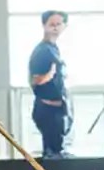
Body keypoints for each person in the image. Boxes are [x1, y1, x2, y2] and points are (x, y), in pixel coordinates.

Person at [29, 10, 72, 159]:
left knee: (57, 152)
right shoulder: (42, 51)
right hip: (48, 110)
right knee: (52, 156)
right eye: (51, 24)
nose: (55, 27)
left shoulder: (54, 49)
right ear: (44, 26)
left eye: (58, 24)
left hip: (57, 109)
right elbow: (35, 80)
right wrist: (49, 75)